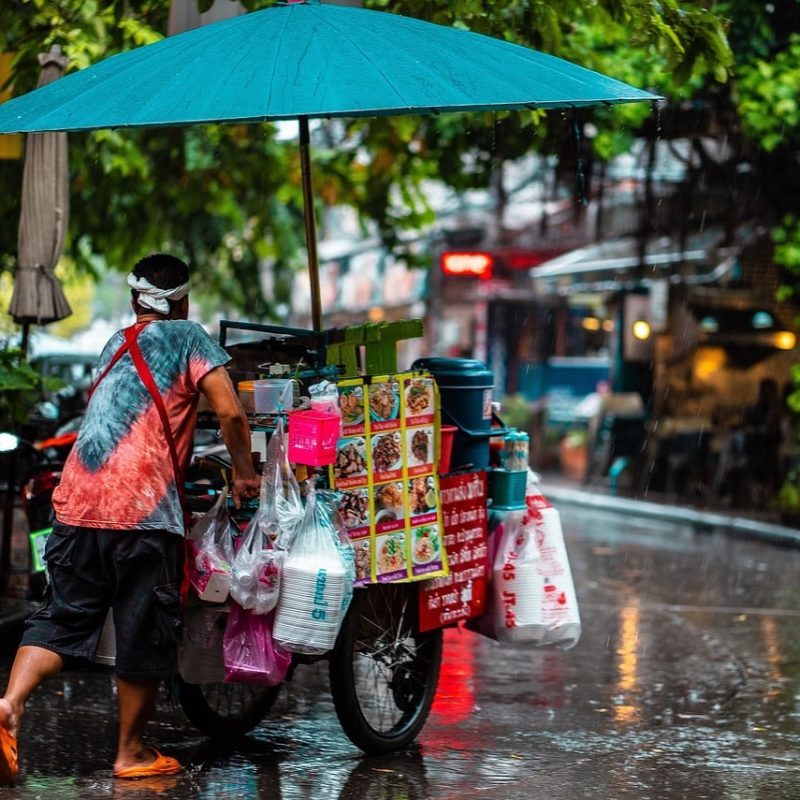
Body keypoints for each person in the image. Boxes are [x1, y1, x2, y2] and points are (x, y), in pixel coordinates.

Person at [0, 253, 261, 783]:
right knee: (144, 629)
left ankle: (7, 705)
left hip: (74, 505)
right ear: (184, 301)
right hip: (141, 510)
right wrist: (244, 473)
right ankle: (131, 753)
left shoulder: (113, 343)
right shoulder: (190, 337)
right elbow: (231, 411)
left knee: (62, 619)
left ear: (135, 301)